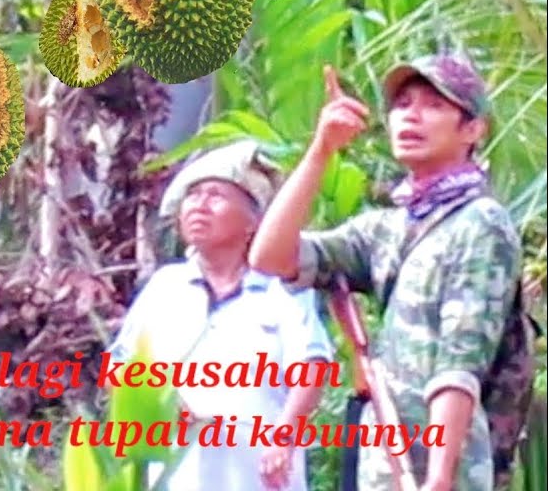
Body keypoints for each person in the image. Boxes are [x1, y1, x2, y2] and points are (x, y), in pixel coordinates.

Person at [249, 55, 523, 491]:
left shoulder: (480, 222)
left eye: (434, 104)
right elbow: (269, 256)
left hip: (446, 469)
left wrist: (438, 478)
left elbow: (460, 362)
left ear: (473, 130)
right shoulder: (388, 227)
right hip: (386, 462)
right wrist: (321, 151)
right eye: (402, 104)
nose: (411, 115)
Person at [106, 140, 335, 491]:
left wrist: (284, 435)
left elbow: (312, 364)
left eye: (215, 196)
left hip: (257, 475)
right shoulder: (165, 287)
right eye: (192, 197)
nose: (199, 207)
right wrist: (160, 401)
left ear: (252, 222)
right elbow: (119, 365)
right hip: (174, 475)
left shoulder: (282, 288)